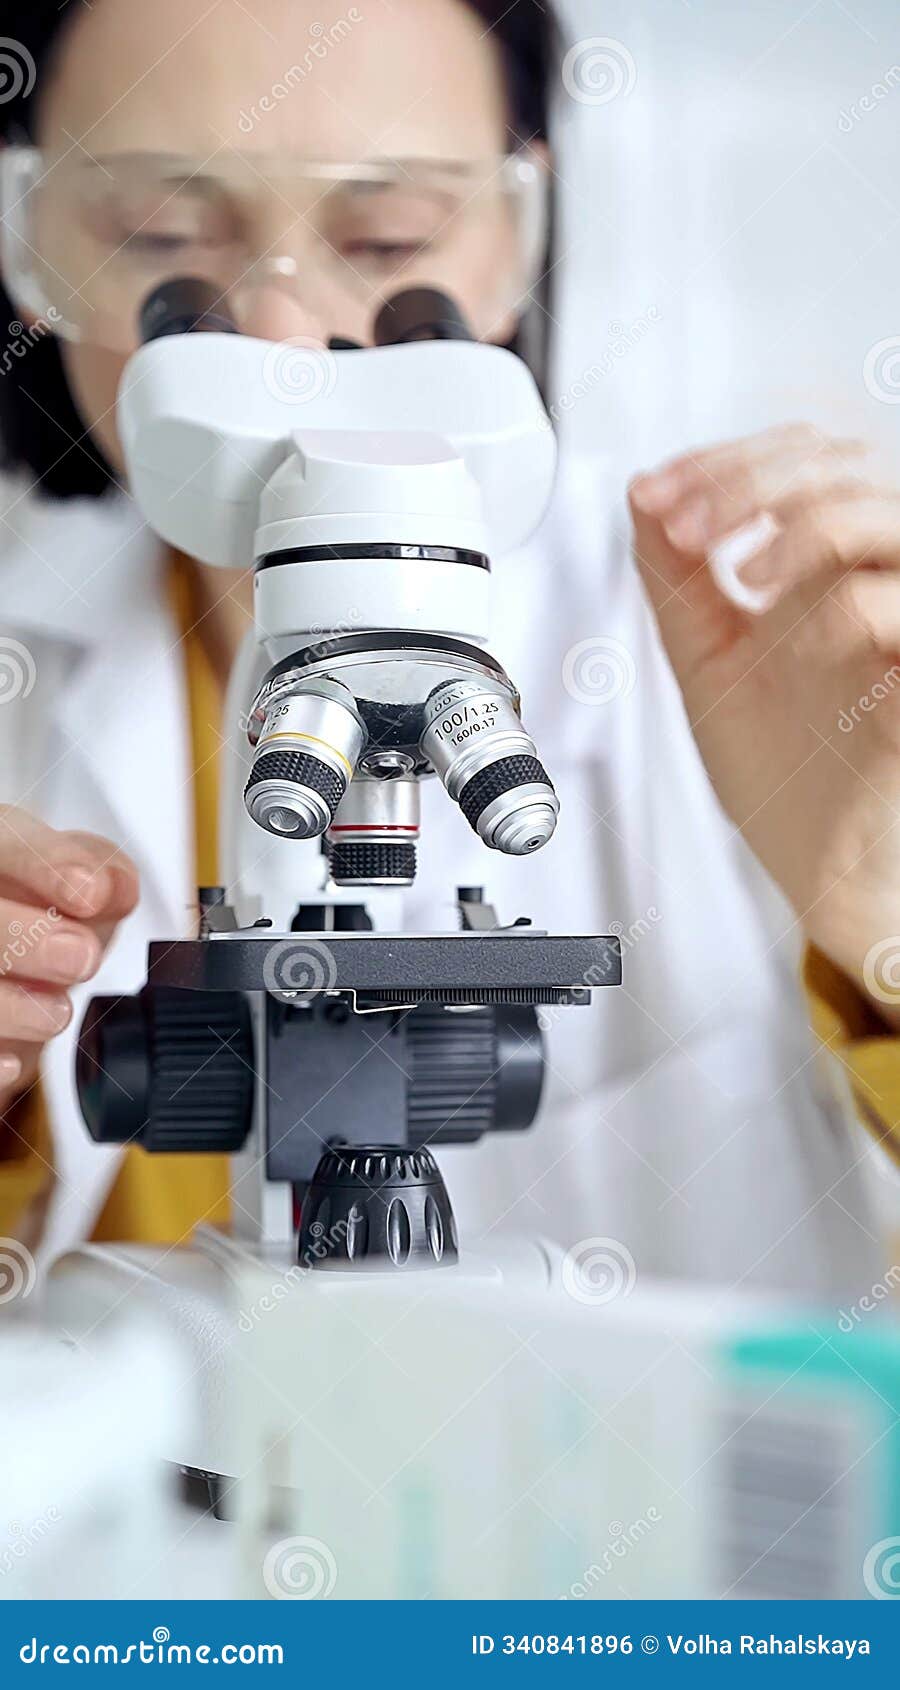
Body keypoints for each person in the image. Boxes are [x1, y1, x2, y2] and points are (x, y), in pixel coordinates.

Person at [0, 0, 898, 1293]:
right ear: (33, 235)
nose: (288, 337)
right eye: (166, 239)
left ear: (519, 236)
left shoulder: (747, 624)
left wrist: (884, 926)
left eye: (387, 239)